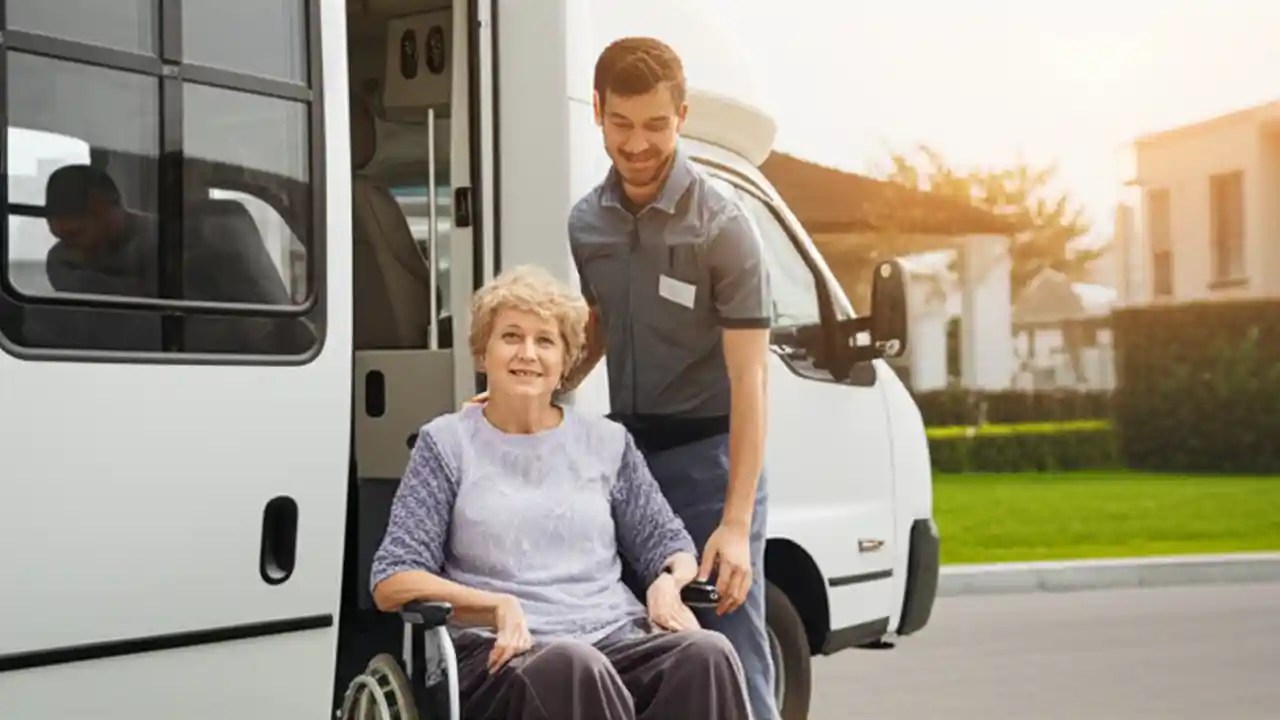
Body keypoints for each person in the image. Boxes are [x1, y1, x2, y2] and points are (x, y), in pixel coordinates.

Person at [369, 265, 751, 720]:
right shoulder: (447, 444)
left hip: (616, 636)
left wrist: (669, 583)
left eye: (545, 341)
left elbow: (669, 544)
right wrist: (495, 607)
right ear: (482, 352)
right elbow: (393, 578)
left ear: (565, 360)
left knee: (707, 654)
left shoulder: (607, 442)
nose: (527, 353)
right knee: (575, 665)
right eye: (511, 336)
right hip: (503, 654)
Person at [564, 37, 779, 720]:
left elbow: (751, 381)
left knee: (731, 653)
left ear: (681, 115)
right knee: (643, 652)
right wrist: (534, 391)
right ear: (597, 111)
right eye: (621, 123)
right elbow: (600, 328)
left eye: (656, 124)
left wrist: (737, 524)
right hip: (624, 467)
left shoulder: (723, 228)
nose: (637, 144)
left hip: (708, 467)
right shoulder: (586, 223)